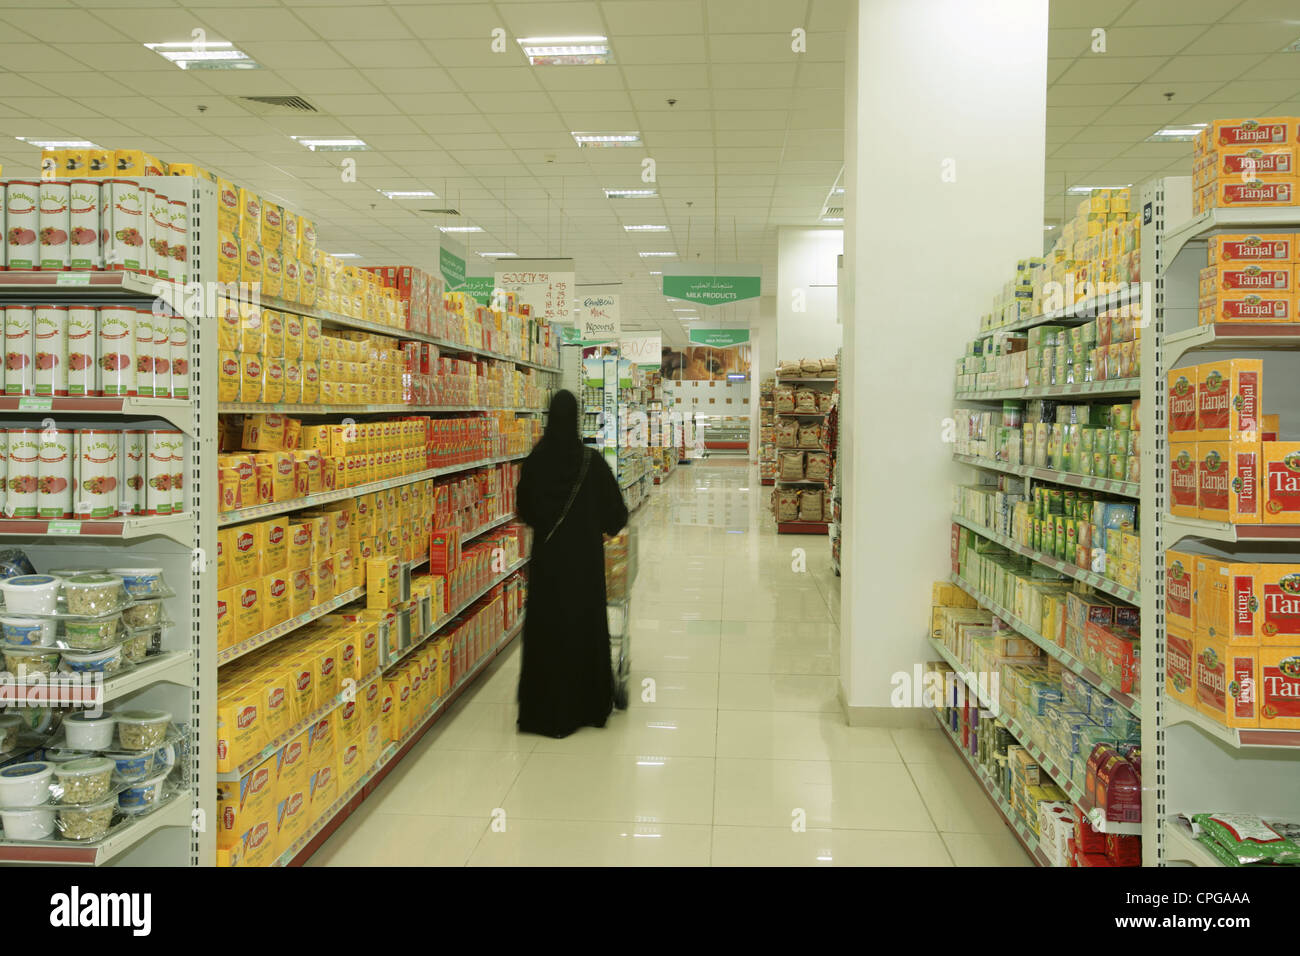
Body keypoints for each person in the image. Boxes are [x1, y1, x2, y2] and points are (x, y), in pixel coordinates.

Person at [515, 389, 629, 738]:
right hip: (583, 568)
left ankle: (544, 710)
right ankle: (587, 705)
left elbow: (524, 511)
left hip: (549, 567)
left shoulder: (534, 461)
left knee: (548, 632)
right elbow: (617, 516)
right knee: (582, 629)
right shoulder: (591, 463)